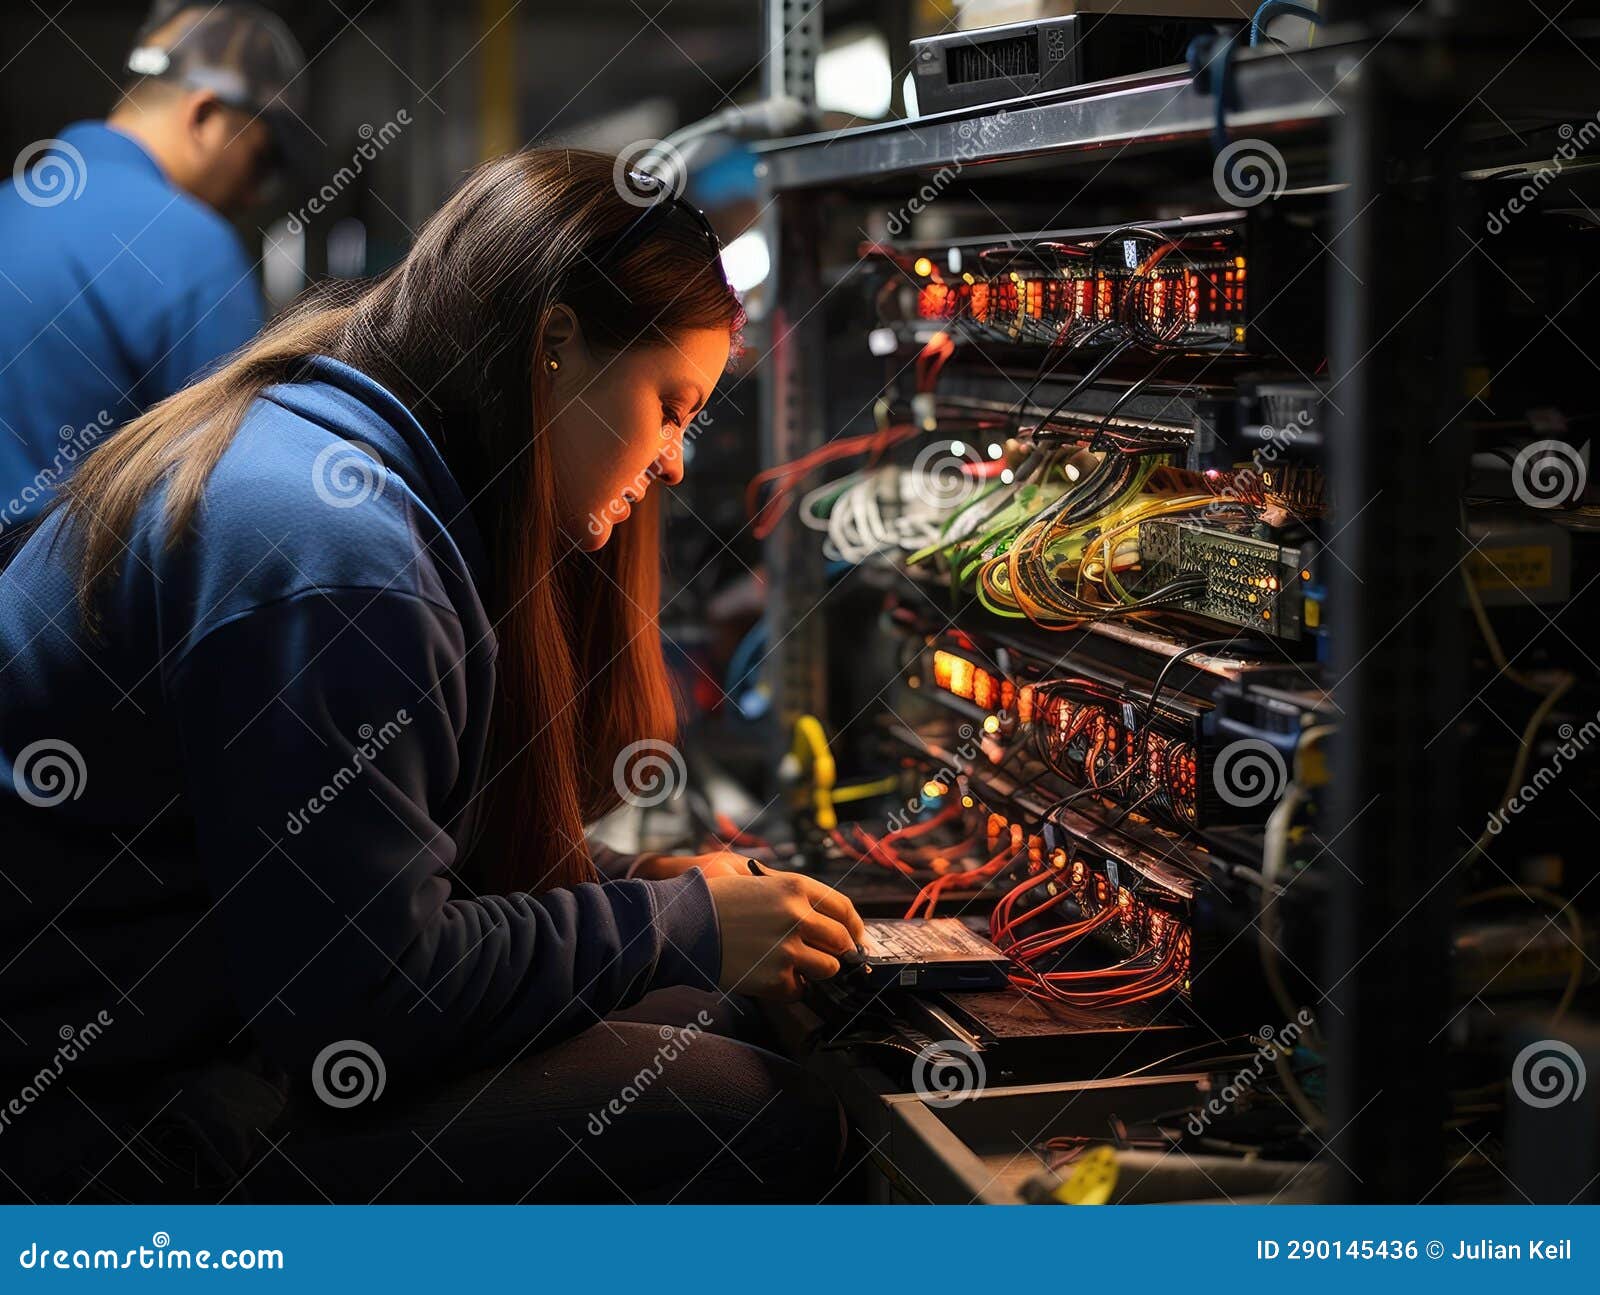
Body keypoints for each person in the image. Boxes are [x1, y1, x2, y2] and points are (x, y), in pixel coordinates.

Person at [0, 147, 864, 1205]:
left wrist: (639, 894)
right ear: (554, 344)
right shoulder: (341, 557)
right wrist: (676, 926)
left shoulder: (330, 453)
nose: (678, 458)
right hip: (105, 1125)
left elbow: (363, 855)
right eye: (672, 405)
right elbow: (365, 1002)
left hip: (171, 1041)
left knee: (705, 1012)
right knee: (762, 1109)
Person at [0, 3, 307, 531]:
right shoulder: (194, 246)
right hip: (86, 607)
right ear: (205, 116)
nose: (256, 195)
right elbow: (239, 498)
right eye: (262, 159)